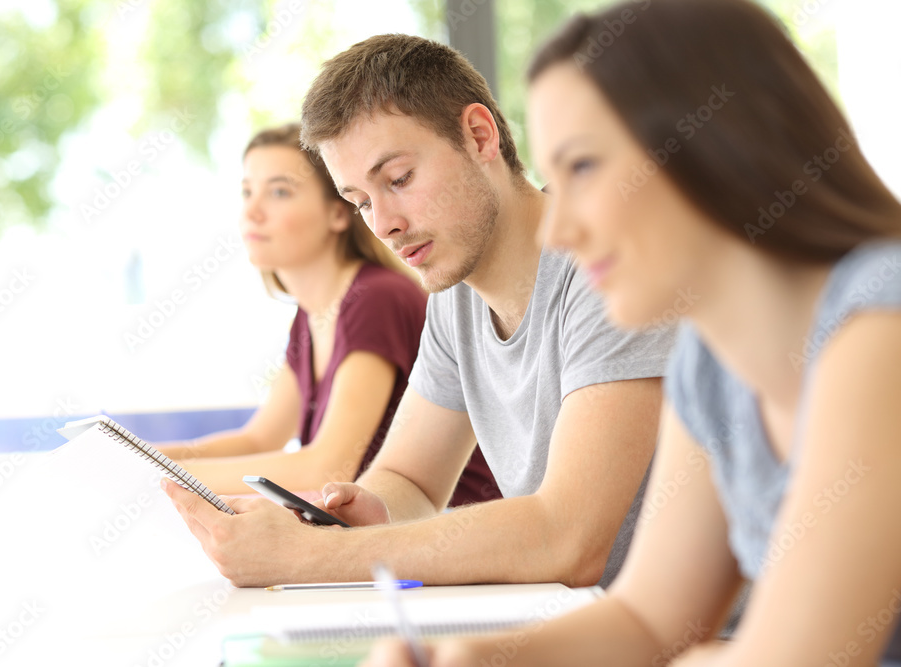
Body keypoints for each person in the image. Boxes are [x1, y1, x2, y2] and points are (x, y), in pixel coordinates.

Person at [362, 0, 901, 664]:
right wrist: (477, 658)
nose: (557, 230)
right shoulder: (711, 362)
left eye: (584, 168)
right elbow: (650, 620)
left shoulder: (882, 322)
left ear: (716, 142)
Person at [161, 34, 675, 589]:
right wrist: (353, 514)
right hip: (583, 623)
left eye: (399, 180)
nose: (383, 224)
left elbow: (568, 540)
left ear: (479, 136)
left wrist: (306, 558)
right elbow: (411, 481)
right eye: (359, 202)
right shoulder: (455, 297)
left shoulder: (605, 265)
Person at [156, 123, 499, 505]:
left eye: (279, 192)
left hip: (444, 541)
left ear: (339, 213)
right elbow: (259, 438)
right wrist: (146, 458)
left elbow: (327, 468)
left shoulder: (376, 299)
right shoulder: (310, 316)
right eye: (247, 192)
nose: (251, 212)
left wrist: (159, 479)